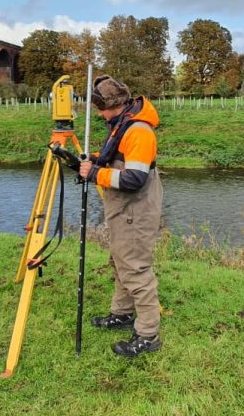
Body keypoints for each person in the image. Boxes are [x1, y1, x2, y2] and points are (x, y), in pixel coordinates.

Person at [79, 75, 164, 357]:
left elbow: (134, 178)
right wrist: (91, 159)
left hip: (135, 210)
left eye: (100, 108)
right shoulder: (122, 125)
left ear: (112, 105)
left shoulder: (138, 131)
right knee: (120, 262)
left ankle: (148, 334)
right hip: (124, 209)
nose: (99, 114)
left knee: (135, 268)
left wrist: (94, 174)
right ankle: (123, 313)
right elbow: (117, 158)